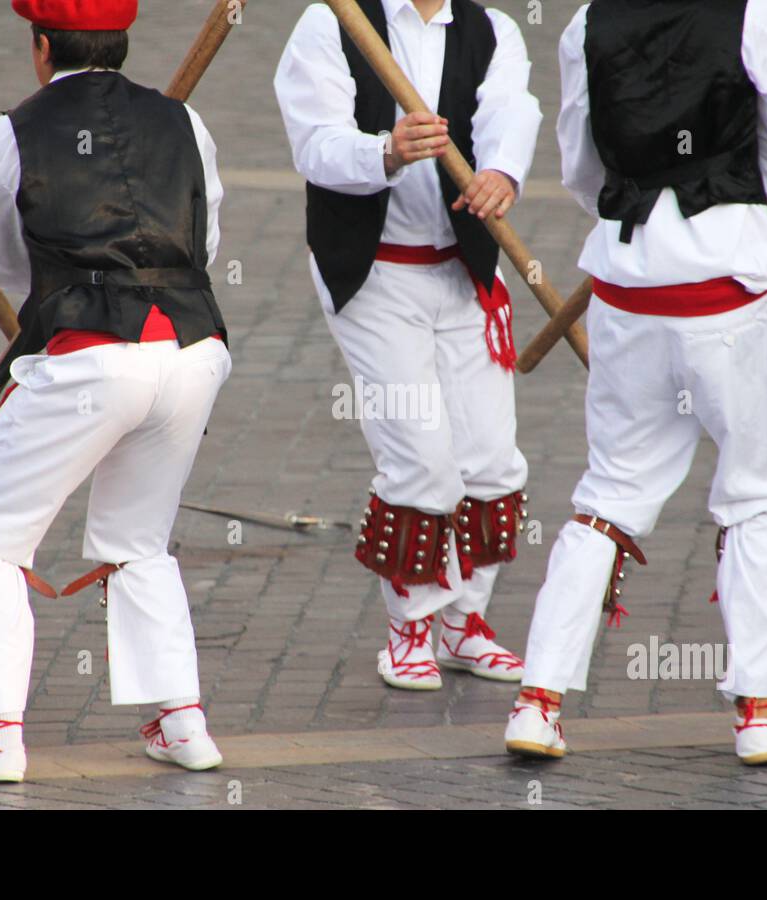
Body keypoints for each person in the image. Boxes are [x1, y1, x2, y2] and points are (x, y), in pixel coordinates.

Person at [0, 0, 230, 782]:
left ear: (39, 44)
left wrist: (59, 309)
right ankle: (182, 723)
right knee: (139, 542)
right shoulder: (182, 123)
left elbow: (3, 253)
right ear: (120, 40)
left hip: (92, 354)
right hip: (193, 349)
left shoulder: (13, 130)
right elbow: (207, 238)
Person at [506, 0, 767, 766]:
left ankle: (538, 703)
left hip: (628, 283)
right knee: (755, 490)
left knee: (610, 491)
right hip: (730, 278)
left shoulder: (586, 20)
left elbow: (581, 164)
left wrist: (644, 209)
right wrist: (714, 206)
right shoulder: (759, 9)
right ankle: (759, 711)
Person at [273, 0, 541, 691]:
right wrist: (386, 150)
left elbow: (512, 112)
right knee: (421, 457)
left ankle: (463, 623)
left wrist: (503, 172)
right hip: (376, 272)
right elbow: (314, 144)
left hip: (464, 270)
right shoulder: (331, 23)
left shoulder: (492, 30)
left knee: (490, 459)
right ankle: (410, 626)